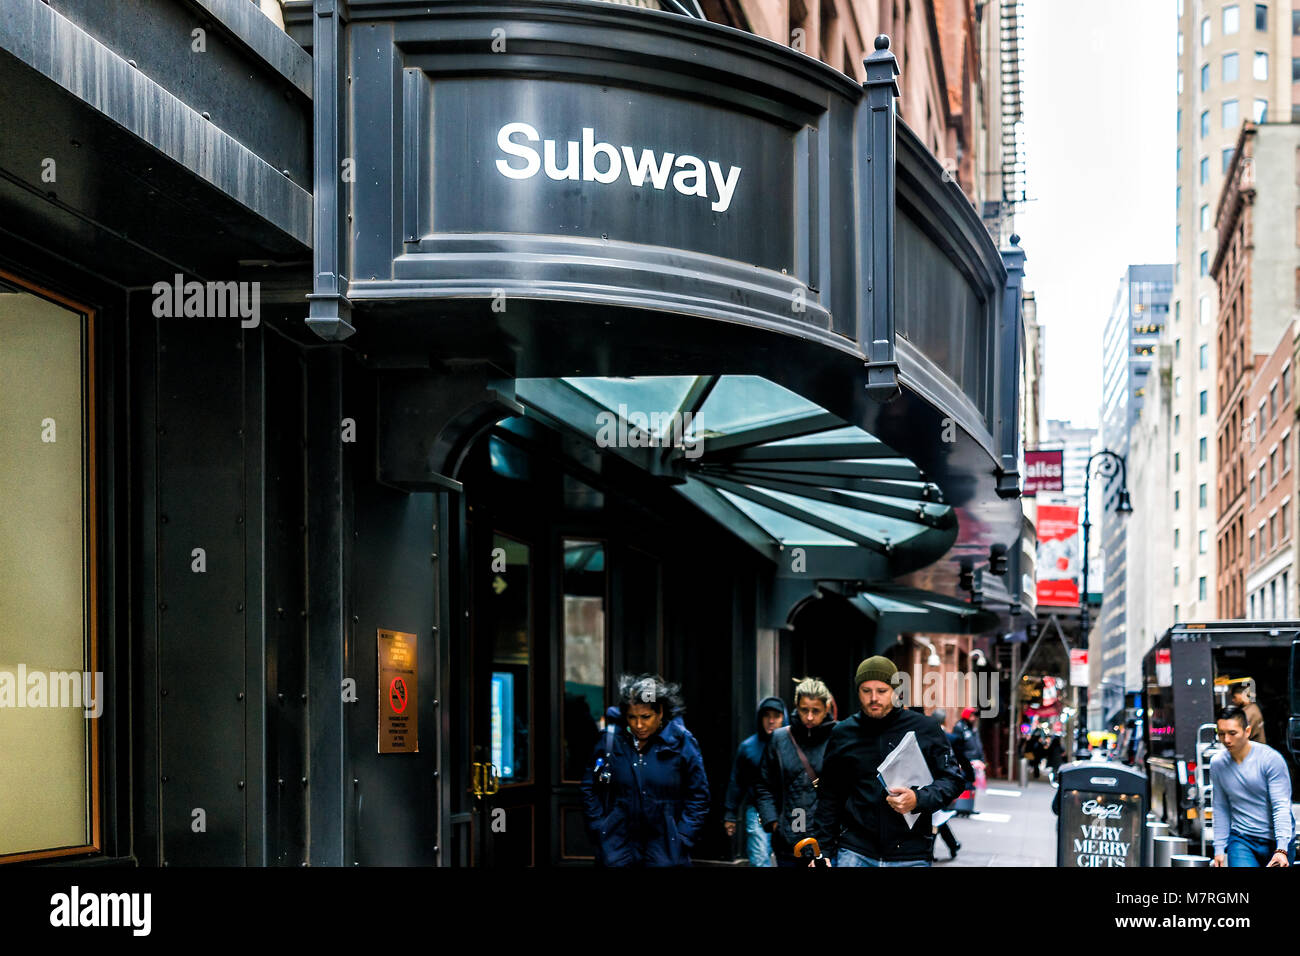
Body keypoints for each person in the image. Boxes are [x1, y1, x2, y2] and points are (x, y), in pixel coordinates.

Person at [811, 656, 966, 867]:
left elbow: (953, 780)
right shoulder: (843, 733)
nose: (874, 698)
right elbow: (829, 796)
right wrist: (823, 851)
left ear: (895, 692)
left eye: (882, 691)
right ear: (858, 692)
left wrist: (918, 798)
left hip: (911, 854)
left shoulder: (925, 729)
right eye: (866, 691)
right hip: (855, 850)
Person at [580, 673, 710, 867]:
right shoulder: (610, 742)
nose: (638, 725)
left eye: (646, 717)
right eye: (632, 717)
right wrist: (600, 827)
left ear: (660, 713)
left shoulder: (682, 743)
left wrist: (682, 836)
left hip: (666, 849)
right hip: (618, 847)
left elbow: (699, 795)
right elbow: (592, 786)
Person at [755, 677, 836, 867]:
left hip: (825, 839)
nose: (809, 716)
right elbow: (763, 785)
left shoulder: (838, 737)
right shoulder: (779, 738)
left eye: (815, 711)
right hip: (787, 839)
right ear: (796, 706)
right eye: (803, 709)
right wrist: (774, 823)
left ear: (826, 708)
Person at [1208, 704, 1294, 868]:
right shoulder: (1217, 763)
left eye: (1232, 733)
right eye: (1221, 734)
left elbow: (1281, 806)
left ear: (1247, 731)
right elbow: (1220, 806)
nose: (1226, 740)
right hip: (1242, 840)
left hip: (1277, 840)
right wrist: (1219, 848)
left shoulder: (1270, 759)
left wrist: (1282, 849)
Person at [722, 695, 786, 866]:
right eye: (767, 716)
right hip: (758, 809)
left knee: (792, 857)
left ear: (783, 718)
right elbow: (736, 781)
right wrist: (730, 814)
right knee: (759, 858)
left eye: (776, 716)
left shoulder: (792, 744)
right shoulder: (748, 747)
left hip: (789, 810)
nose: (771, 721)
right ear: (760, 718)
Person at [929, 707, 961, 860]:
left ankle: (951, 845)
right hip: (942, 783)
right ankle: (951, 845)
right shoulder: (949, 737)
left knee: (938, 818)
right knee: (938, 818)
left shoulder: (924, 734)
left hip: (930, 782)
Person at [951, 706, 985, 810]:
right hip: (965, 763)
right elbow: (957, 747)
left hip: (976, 763)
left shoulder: (973, 728)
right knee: (965, 785)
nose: (974, 718)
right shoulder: (959, 727)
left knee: (972, 786)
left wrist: (982, 760)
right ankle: (961, 807)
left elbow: (978, 745)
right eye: (972, 715)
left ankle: (969, 807)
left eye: (975, 716)